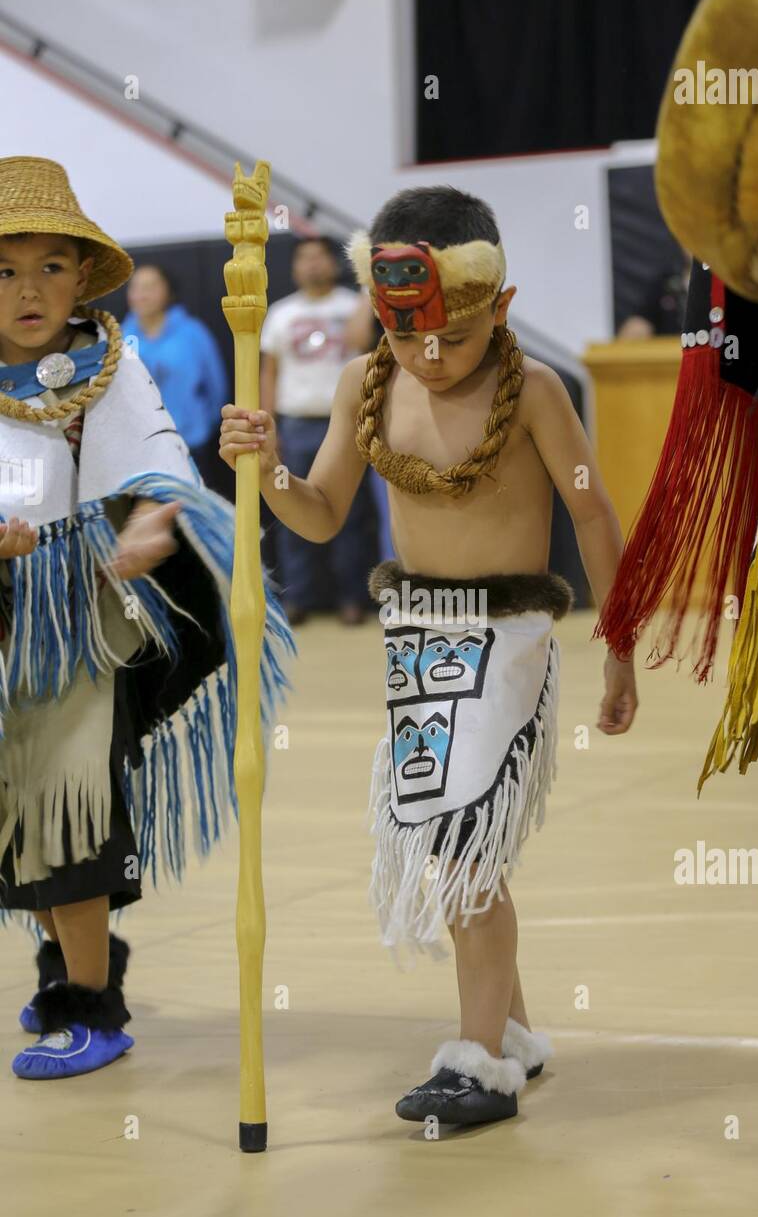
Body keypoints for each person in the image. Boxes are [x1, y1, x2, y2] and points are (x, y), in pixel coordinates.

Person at [220, 185, 637, 1126]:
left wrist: (620, 644)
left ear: (503, 303)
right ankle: (515, 1036)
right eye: (410, 338)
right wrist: (268, 471)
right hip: (416, 647)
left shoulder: (534, 391)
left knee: (462, 860)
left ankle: (478, 1059)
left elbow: (591, 510)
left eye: (453, 334)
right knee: (458, 850)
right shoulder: (366, 385)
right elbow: (320, 514)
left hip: (510, 647)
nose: (432, 356)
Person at [0, 156, 294, 1081]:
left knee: (67, 811)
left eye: (51, 266)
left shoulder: (106, 366)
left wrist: (158, 519)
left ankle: (90, 1006)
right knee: (21, 821)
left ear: (83, 276)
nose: (29, 289)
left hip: (79, 625)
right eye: (5, 270)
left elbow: (162, 464)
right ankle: (67, 968)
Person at [260, 235, 379, 625]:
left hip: (346, 422)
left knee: (351, 514)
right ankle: (298, 599)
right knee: (290, 510)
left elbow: (363, 343)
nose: (311, 265)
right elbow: (270, 371)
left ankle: (352, 599)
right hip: (295, 422)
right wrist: (268, 422)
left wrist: (367, 289)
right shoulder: (280, 313)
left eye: (319, 257)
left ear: (333, 263)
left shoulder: (352, 304)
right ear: (294, 268)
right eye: (304, 258)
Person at [122, 264, 229, 494]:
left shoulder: (192, 332)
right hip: (139, 447)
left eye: (150, 287)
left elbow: (216, 386)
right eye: (136, 287)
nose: (142, 294)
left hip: (190, 442)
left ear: (168, 292)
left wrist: (203, 424)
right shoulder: (121, 336)